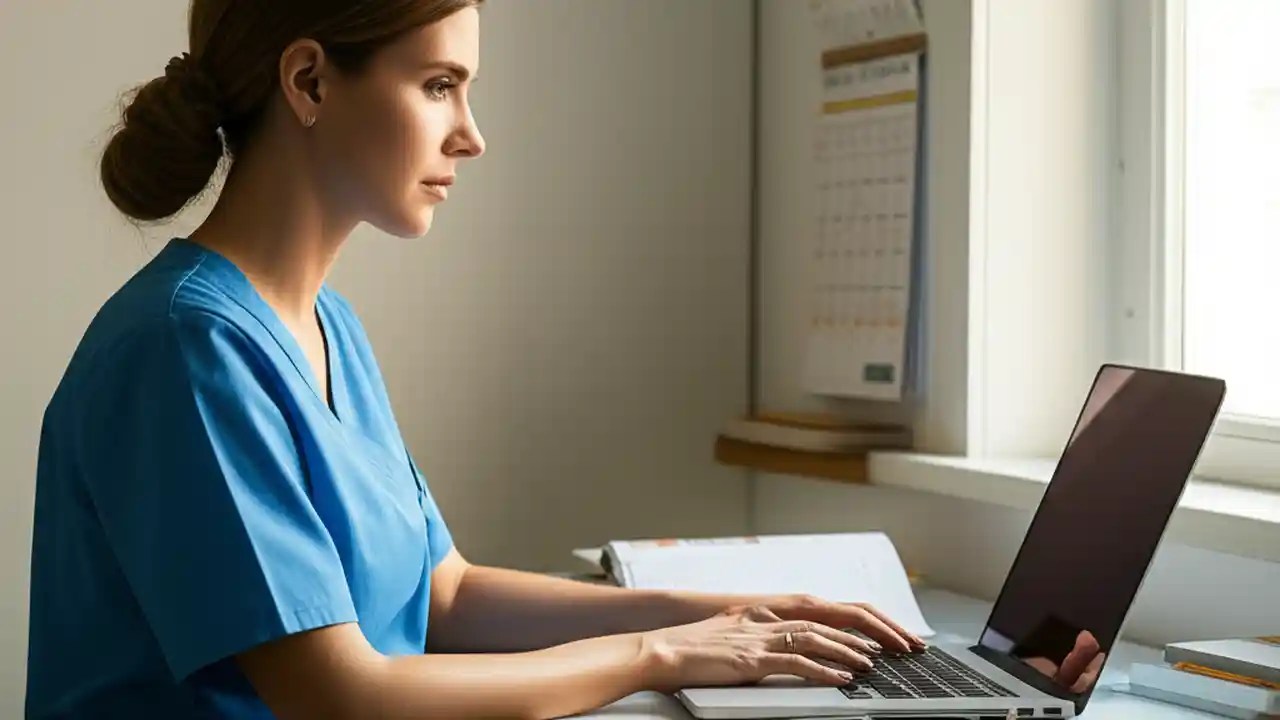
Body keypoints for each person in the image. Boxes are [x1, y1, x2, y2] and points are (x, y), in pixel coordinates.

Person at [25, 2, 926, 718]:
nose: (471, 134)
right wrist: (661, 654)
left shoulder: (327, 326)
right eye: (439, 85)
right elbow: (343, 695)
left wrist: (725, 616)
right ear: (309, 81)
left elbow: (445, 594)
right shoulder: (186, 349)